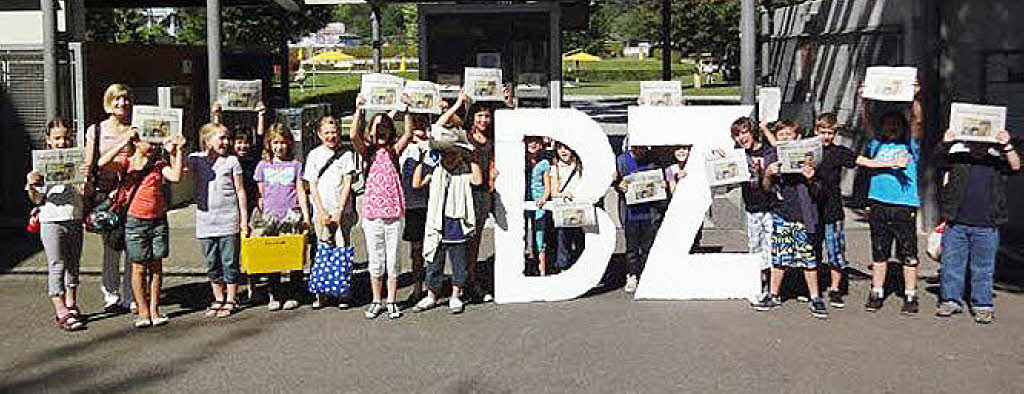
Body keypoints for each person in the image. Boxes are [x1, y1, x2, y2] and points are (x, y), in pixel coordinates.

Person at [934, 128, 1020, 323]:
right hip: (956, 222)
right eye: (975, 141)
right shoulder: (958, 157)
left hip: (987, 224)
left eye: (983, 142)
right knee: (951, 264)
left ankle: (982, 304)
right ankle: (950, 300)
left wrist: (1007, 145)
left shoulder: (996, 160)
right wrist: (946, 142)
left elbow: (1016, 166)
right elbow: (937, 160)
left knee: (983, 267)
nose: (979, 145)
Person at [101, 131, 185, 327]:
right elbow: (102, 163)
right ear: (137, 142)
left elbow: (176, 176)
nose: (154, 142)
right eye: (148, 138)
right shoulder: (127, 163)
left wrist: (178, 151)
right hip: (134, 220)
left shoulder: (158, 163)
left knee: (156, 267)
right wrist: (123, 140)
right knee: (138, 268)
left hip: (158, 220)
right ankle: (142, 311)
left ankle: (155, 309)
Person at [855, 82, 923, 314]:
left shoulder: (911, 146)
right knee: (879, 251)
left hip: (904, 206)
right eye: (888, 125)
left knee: (908, 253)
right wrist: (864, 100)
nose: (892, 128)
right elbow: (867, 123)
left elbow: (917, 122)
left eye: (896, 125)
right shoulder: (876, 145)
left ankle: (911, 295)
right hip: (878, 204)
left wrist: (914, 98)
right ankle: (877, 291)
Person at [751, 122, 828, 319]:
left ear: (798, 137)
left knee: (808, 259)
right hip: (782, 214)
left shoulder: (810, 160)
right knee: (779, 257)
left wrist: (810, 178)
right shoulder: (774, 158)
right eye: (781, 134)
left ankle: (815, 297)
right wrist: (768, 175)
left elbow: (819, 192)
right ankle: (774, 294)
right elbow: (767, 189)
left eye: (789, 134)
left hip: (804, 216)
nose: (785, 137)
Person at [411, 112, 483, 314]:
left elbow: (478, 181)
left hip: (457, 224)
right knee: (434, 262)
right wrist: (423, 160)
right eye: (447, 153)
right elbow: (416, 184)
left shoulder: (463, 170)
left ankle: (455, 295)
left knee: (459, 263)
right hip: (437, 224)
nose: (450, 157)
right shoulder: (436, 170)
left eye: (454, 153)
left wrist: (472, 158)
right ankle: (431, 295)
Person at [350, 95, 414, 319]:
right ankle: (377, 300)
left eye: (384, 127)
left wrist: (406, 111)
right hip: (372, 215)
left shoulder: (394, 151)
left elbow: (408, 134)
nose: (380, 132)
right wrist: (359, 110)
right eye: (376, 127)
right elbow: (352, 135)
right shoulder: (367, 152)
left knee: (393, 258)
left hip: (394, 213)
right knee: (375, 258)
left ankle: (392, 300)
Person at [27, 119, 86, 331]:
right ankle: (60, 309)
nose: (62, 142)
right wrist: (33, 184)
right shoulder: (40, 164)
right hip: (51, 219)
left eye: (66, 137)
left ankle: (71, 304)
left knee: (73, 264)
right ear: (48, 140)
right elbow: (36, 199)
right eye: (57, 138)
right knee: (56, 264)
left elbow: (83, 194)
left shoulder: (78, 160)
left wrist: (85, 179)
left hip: (74, 217)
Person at [188, 123, 249, 318]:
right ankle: (218, 297)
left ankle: (231, 297)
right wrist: (175, 148)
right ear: (207, 141)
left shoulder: (232, 161)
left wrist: (243, 219)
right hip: (206, 221)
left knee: (230, 261)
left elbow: (240, 191)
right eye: (220, 138)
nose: (226, 142)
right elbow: (179, 170)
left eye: (227, 138)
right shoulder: (196, 160)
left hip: (228, 219)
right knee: (212, 261)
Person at [83, 84, 135, 313]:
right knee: (112, 246)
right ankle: (111, 296)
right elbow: (90, 164)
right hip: (105, 195)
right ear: (109, 103)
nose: (122, 103)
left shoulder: (137, 127)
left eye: (125, 99)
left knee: (134, 246)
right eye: (117, 99)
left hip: (132, 191)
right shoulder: (96, 130)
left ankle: (132, 295)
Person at [254, 124, 311, 311]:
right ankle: (275, 293)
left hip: (292, 215)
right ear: (269, 144)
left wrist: (306, 215)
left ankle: (295, 293)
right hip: (271, 217)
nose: (280, 146)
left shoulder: (295, 165)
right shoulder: (263, 166)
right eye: (276, 142)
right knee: (273, 257)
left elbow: (300, 191)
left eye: (283, 142)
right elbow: (262, 194)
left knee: (293, 255)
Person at [303, 115, 357, 309]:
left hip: (342, 210)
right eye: (326, 133)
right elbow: (312, 185)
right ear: (319, 134)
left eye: (334, 132)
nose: (331, 136)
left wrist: (339, 210)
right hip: (322, 210)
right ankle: (321, 292)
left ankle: (342, 291)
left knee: (342, 250)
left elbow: (347, 183)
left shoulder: (347, 154)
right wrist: (321, 211)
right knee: (322, 250)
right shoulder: (314, 155)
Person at [811, 113, 857, 308]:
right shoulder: (809, 151)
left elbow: (861, 160)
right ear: (816, 131)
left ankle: (836, 288)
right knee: (812, 249)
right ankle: (813, 287)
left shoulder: (839, 152)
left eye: (830, 133)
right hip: (812, 209)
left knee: (835, 250)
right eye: (822, 132)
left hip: (832, 209)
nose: (826, 136)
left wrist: (889, 163)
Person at [731, 117, 779, 294]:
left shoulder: (768, 151)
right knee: (754, 245)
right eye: (737, 135)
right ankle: (757, 282)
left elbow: (780, 149)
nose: (742, 138)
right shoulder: (738, 155)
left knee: (771, 246)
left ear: (752, 133)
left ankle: (771, 286)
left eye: (745, 132)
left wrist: (765, 128)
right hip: (752, 207)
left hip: (771, 206)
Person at [614, 144, 666, 293]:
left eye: (643, 147)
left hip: (650, 209)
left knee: (648, 245)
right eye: (636, 147)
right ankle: (632, 274)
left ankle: (647, 275)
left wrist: (662, 184)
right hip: (631, 210)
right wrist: (619, 185)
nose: (640, 151)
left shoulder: (653, 158)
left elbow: (660, 177)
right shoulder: (622, 160)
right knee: (632, 246)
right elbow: (615, 180)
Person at [399, 111, 433, 304]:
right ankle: (418, 286)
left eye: (423, 121)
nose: (419, 125)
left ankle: (432, 285)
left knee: (434, 248)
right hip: (413, 206)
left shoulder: (435, 144)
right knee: (416, 250)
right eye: (415, 121)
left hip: (433, 204)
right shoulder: (404, 146)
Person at [550, 142, 584, 272]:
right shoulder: (555, 167)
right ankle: (563, 267)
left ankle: (581, 267)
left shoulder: (581, 165)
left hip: (580, 208)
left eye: (566, 148)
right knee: (563, 238)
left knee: (580, 238)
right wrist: (564, 194)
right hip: (563, 208)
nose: (563, 151)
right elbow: (554, 191)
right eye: (560, 148)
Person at [526, 135, 553, 276]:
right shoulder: (520, 159)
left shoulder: (544, 163)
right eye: (530, 141)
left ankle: (542, 268)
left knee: (539, 233)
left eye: (536, 141)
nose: (533, 144)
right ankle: (526, 265)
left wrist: (544, 197)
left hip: (538, 201)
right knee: (521, 233)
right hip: (523, 199)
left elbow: (547, 184)